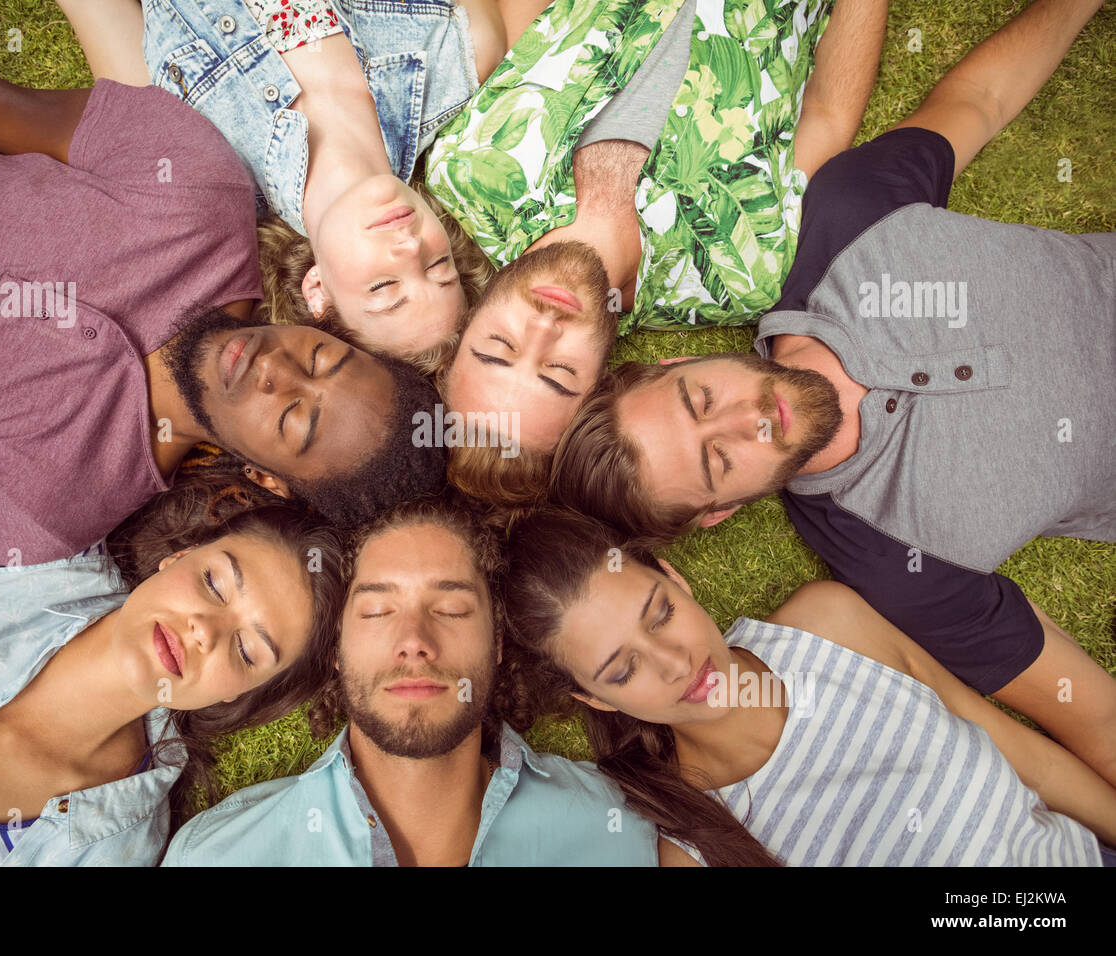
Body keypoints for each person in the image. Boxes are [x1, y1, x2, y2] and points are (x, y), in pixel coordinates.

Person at [549, 0, 1116, 787]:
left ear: (671, 364)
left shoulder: (846, 220)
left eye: (700, 400)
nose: (748, 418)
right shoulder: (892, 563)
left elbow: (976, 103)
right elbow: (1092, 714)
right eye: (718, 461)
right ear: (723, 512)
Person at [0, 45, 446, 567]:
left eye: (293, 420)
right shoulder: (198, 186)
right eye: (320, 357)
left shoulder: (42, 509)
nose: (275, 371)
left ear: (267, 479)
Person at [426, 0, 888, 501]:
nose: (542, 328)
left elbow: (540, 21)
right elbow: (829, 115)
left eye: (500, 345)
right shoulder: (735, 274)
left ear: (463, 328)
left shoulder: (469, 171)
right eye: (559, 372)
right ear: (602, 387)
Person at [503, 509, 1116, 866]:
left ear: (676, 578)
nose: (674, 663)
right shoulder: (690, 840)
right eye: (622, 670)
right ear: (596, 699)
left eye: (660, 613)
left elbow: (1020, 752)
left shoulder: (829, 624)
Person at [162, 496, 700, 865]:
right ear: (336, 653)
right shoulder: (216, 855)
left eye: (452, 607)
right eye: (375, 611)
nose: (414, 638)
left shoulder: (614, 826)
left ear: (496, 645)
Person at [0, 499, 346, 867]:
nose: (204, 631)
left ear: (237, 693)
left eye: (248, 650)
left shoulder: (108, 851)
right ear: (179, 556)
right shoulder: (30, 544)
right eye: (214, 582)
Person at [53, 0, 533, 369]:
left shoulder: (188, 160)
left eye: (385, 286)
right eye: (438, 266)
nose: (409, 249)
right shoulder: (461, 64)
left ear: (317, 290)